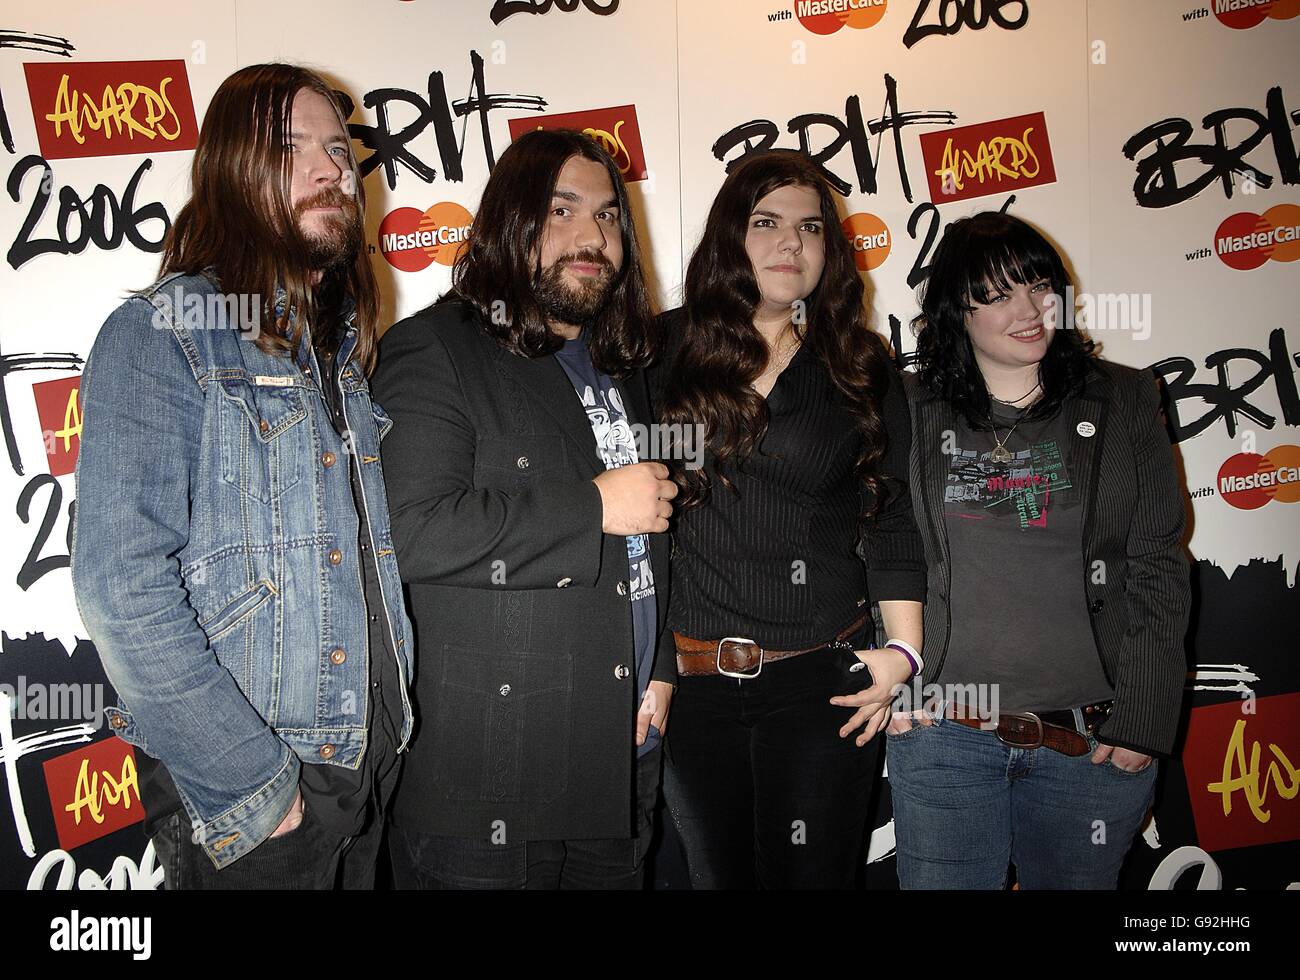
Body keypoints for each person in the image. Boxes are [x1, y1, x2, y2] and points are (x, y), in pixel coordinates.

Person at [70, 64, 413, 888]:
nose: (332, 169)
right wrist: (256, 788)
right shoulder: (165, 332)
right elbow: (119, 587)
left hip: (365, 770)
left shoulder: (343, 363)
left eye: (339, 149)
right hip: (264, 788)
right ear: (234, 170)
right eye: (293, 149)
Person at [373, 129, 675, 889]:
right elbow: (411, 532)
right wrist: (592, 507)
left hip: (621, 760)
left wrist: (661, 669)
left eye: (608, 216)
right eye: (560, 210)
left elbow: (652, 546)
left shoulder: (623, 364)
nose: (590, 236)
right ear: (509, 221)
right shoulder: (434, 348)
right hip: (489, 784)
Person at [886, 210, 1189, 889]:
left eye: (1037, 284)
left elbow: (1158, 564)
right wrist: (893, 678)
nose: (1027, 310)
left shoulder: (1125, 397)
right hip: (943, 733)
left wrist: (1143, 718)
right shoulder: (909, 407)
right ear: (954, 312)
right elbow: (883, 544)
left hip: (1089, 743)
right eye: (995, 294)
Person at [652, 149, 926, 889]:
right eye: (766, 222)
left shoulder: (859, 368)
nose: (790, 243)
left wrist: (903, 657)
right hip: (690, 680)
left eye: (810, 227)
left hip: (822, 685)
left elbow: (893, 523)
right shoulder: (657, 352)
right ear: (728, 237)